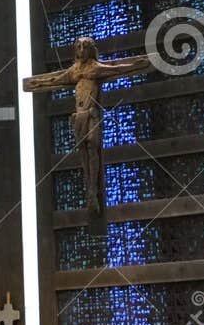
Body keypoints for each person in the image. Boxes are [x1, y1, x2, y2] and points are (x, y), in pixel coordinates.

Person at [23, 35, 151, 213]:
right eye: (78, 47)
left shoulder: (95, 68)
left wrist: (138, 64)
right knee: (83, 152)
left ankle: (93, 189)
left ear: (90, 50)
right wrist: (36, 82)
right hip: (79, 117)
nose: (81, 51)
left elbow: (117, 70)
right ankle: (90, 191)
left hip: (91, 115)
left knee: (92, 146)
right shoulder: (74, 71)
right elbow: (55, 80)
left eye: (84, 47)